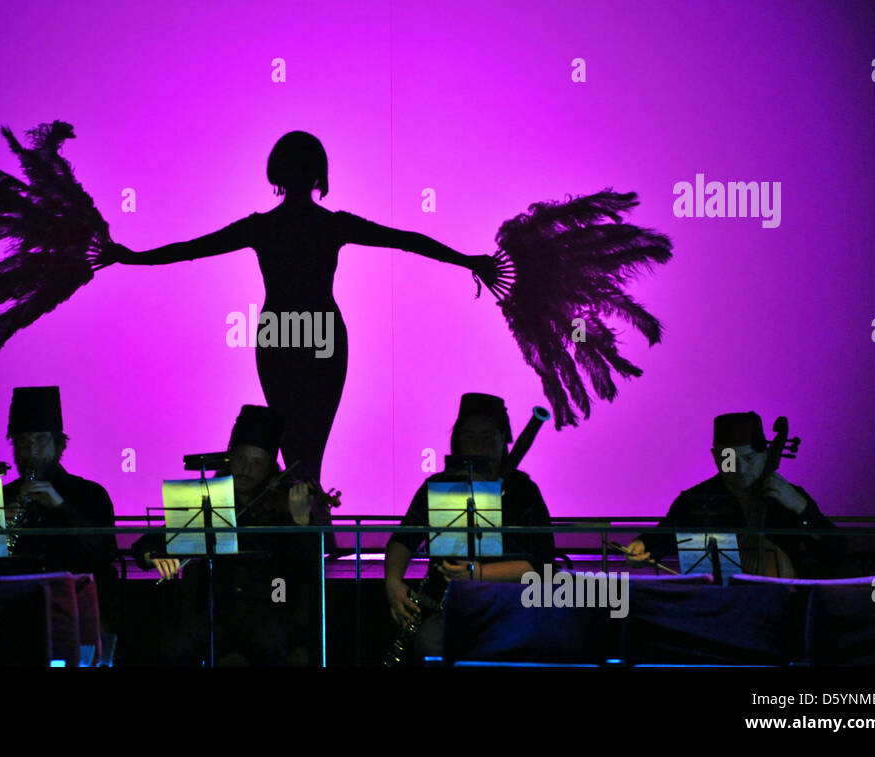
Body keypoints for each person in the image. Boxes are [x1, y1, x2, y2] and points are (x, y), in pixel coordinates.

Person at [99, 132, 491, 489]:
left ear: (278, 173)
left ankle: (310, 517)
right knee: (308, 437)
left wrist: (132, 257)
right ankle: (314, 516)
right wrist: (466, 260)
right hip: (319, 329)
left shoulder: (264, 226)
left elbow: (188, 250)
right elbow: (406, 240)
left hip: (281, 331)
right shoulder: (330, 225)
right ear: (318, 174)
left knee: (293, 435)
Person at [133, 404, 333, 666]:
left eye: (257, 462)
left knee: (269, 645)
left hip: (271, 612)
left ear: (270, 468)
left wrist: (301, 524)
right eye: (240, 459)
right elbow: (150, 543)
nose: (246, 470)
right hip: (219, 615)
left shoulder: (284, 505)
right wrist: (151, 554)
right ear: (230, 457)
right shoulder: (211, 500)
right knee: (176, 646)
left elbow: (307, 568)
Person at [384, 393, 556, 661]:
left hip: (512, 604)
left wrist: (477, 572)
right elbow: (402, 539)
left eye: (488, 436)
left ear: (503, 440)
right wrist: (393, 582)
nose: (479, 445)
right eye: (470, 437)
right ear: (458, 441)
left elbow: (542, 567)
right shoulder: (440, 485)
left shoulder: (524, 491)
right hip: (453, 607)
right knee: (430, 642)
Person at [625, 412, 844, 578]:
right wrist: (644, 545)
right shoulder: (694, 499)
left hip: (782, 610)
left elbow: (835, 551)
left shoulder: (790, 497)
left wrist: (802, 508)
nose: (738, 468)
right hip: (717, 610)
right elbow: (666, 534)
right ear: (716, 457)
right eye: (728, 460)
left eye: (748, 458)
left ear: (766, 455)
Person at [1, 386, 120, 621]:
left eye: (41, 440)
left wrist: (61, 507)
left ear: (60, 445)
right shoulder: (3, 497)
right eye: (23, 442)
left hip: (78, 610)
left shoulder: (91, 494)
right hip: (18, 610)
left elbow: (105, 555)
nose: (32, 450)